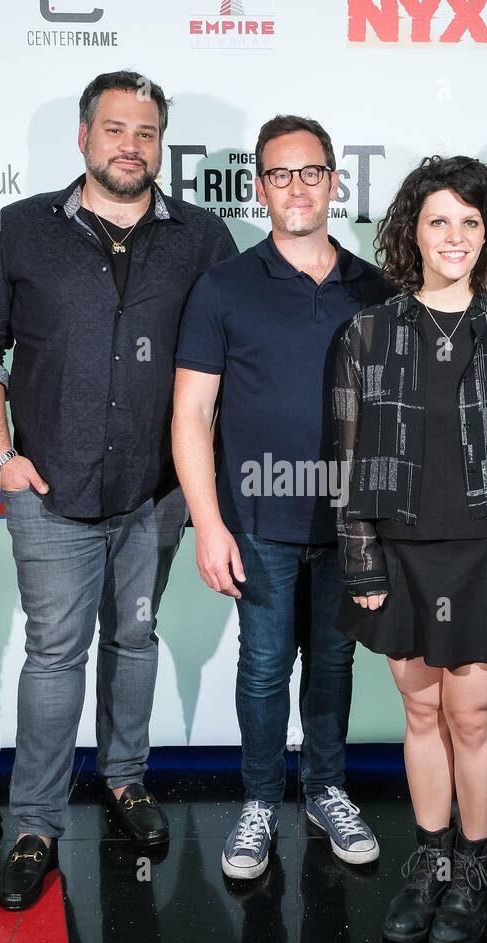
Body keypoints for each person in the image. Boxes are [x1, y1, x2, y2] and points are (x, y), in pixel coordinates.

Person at [0, 70, 237, 911]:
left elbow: (225, 362)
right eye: (114, 129)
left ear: (160, 143)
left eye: (146, 132)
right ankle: (34, 822)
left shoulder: (202, 237)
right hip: (50, 490)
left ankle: (125, 782)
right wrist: (2, 456)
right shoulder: (19, 230)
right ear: (83, 137)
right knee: (54, 655)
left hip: (156, 493)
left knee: (136, 642)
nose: (130, 146)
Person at [333, 156, 487, 943]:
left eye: (470, 222)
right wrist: (359, 555)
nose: (455, 236)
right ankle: (429, 858)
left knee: (474, 714)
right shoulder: (367, 330)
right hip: (398, 549)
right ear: (413, 232)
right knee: (422, 709)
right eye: (439, 220)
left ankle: (474, 863)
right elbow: (348, 454)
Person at [174, 116, 392, 881]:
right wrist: (207, 522)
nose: (296, 187)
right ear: (259, 186)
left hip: (350, 526)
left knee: (332, 661)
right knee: (266, 664)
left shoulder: (375, 288)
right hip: (258, 522)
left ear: (335, 181)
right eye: (279, 174)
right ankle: (262, 798)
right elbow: (193, 413)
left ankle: (326, 788)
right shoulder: (224, 286)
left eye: (310, 172)